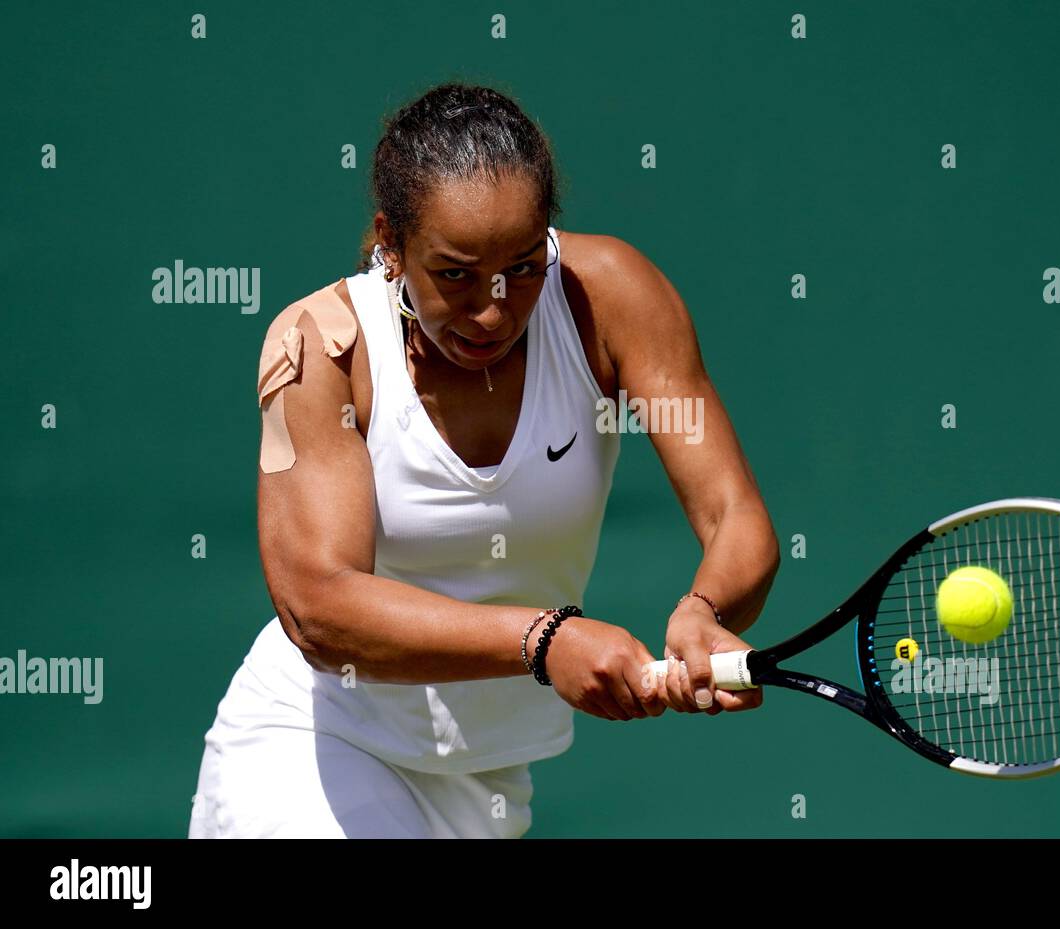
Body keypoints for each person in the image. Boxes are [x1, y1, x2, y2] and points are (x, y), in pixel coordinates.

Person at [187, 82, 779, 838]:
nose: (495, 308)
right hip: (309, 750)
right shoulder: (318, 348)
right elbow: (319, 606)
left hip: (486, 785)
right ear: (389, 246)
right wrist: (545, 638)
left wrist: (706, 611)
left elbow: (735, 514)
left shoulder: (614, 298)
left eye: (524, 266)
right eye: (456, 274)